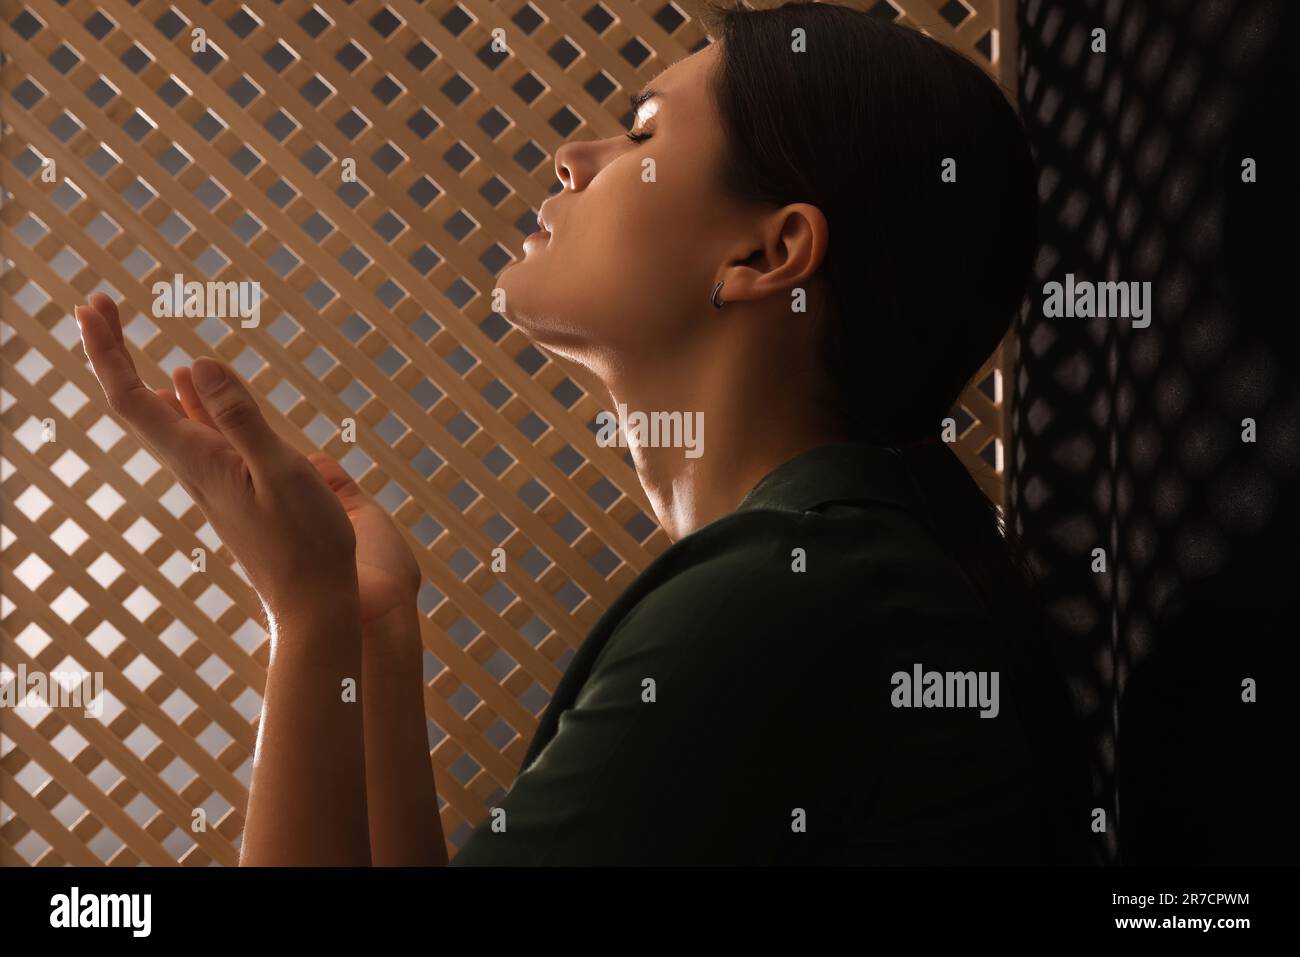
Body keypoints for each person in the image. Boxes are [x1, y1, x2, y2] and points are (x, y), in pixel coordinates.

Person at [74, 0, 1088, 865]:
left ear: (770, 253)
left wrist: (305, 612)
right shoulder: (839, 569)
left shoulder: (793, 604)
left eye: (644, 136)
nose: (572, 157)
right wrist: (367, 627)